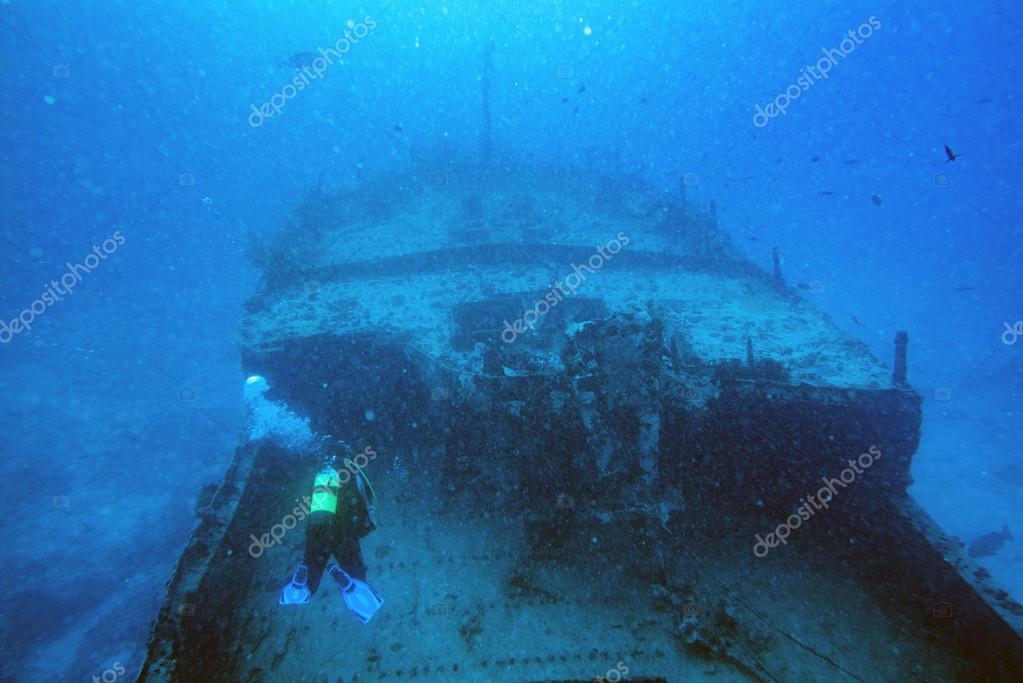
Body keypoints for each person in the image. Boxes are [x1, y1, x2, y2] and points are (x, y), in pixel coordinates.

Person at [280, 442, 383, 623]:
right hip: (345, 528)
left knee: (312, 562)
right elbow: (367, 499)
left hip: (317, 527)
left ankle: (300, 587)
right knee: (355, 570)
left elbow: (305, 502)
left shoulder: (321, 474)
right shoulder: (353, 469)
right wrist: (366, 526)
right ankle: (351, 586)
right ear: (348, 454)